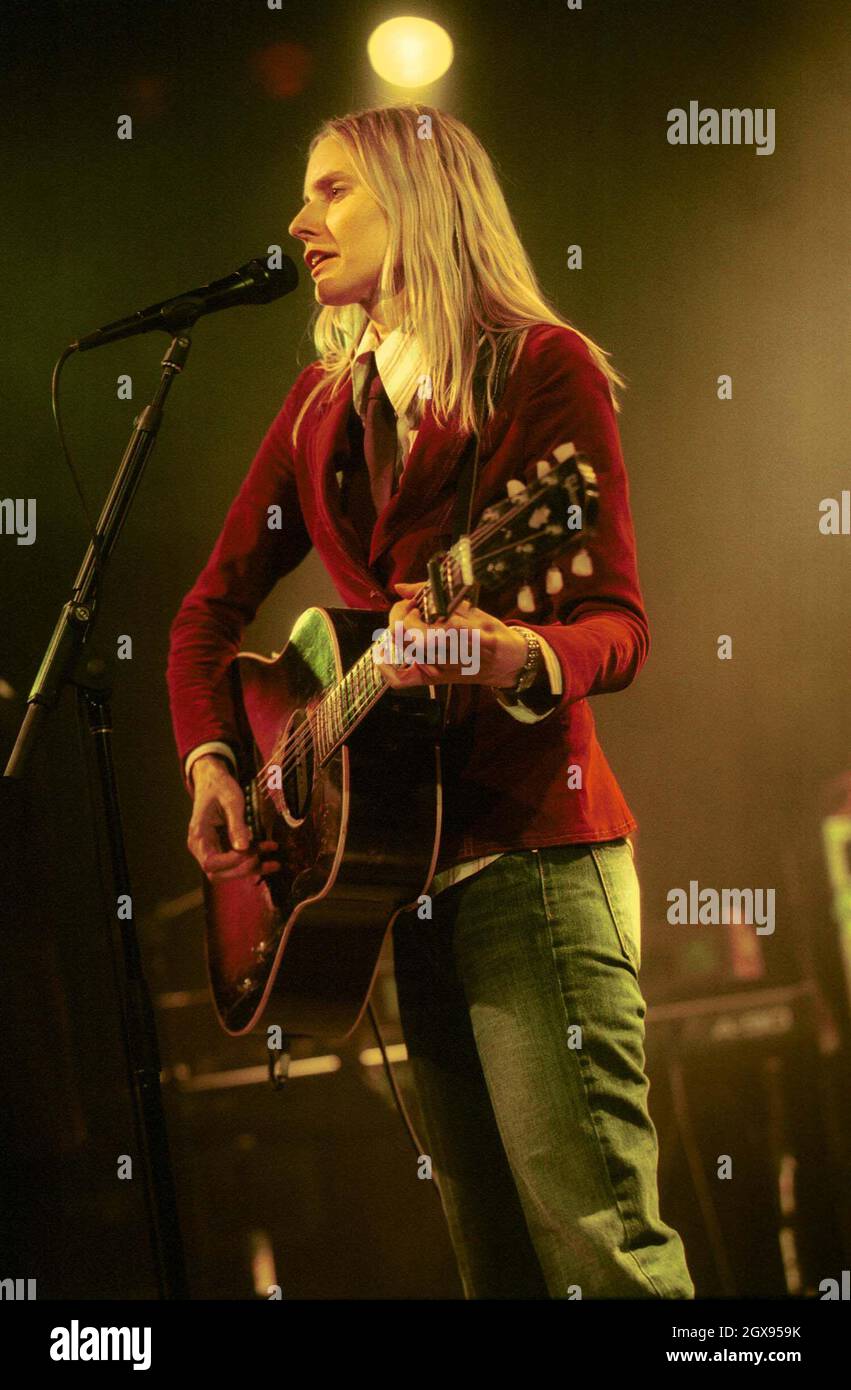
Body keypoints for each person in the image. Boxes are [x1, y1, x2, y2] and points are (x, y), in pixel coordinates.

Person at [166, 102, 694, 1300]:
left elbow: (617, 622)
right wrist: (211, 760)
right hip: (397, 885)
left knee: (599, 1253)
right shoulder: (318, 407)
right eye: (304, 196)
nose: (300, 221)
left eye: (334, 190)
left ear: (420, 198)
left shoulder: (536, 365)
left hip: (532, 865)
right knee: (496, 1270)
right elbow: (202, 618)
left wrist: (515, 658)